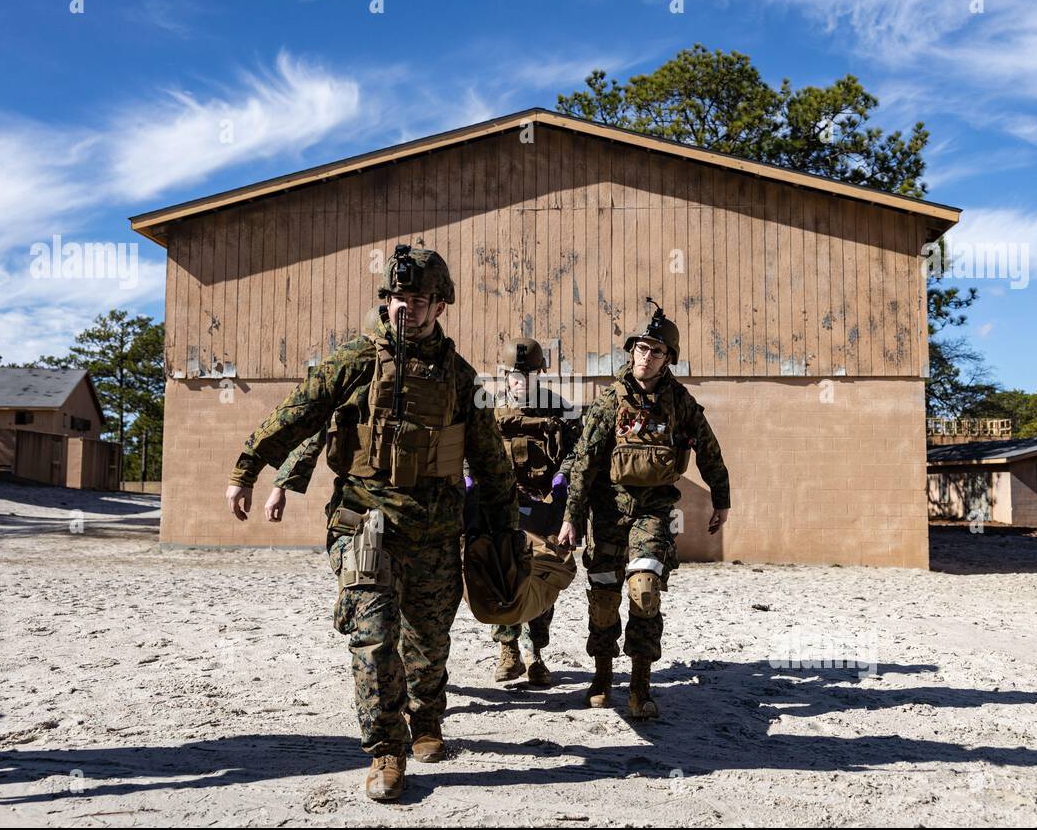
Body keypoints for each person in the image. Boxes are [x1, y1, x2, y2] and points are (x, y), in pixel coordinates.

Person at [224, 242, 517, 801]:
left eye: (419, 299)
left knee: (428, 640)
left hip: (435, 529)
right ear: (386, 300)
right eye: (397, 297)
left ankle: (426, 716)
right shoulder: (355, 361)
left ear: (440, 305)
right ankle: (386, 749)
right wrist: (248, 468)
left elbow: (491, 462)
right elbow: (297, 413)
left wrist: (504, 534)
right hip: (366, 519)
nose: (406, 308)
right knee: (375, 635)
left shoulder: (460, 378)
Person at [558, 302, 731, 719]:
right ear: (630, 351)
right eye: (639, 348)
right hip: (607, 511)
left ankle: (640, 685)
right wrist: (571, 517)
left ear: (668, 357)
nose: (645, 357)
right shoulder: (609, 401)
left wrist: (721, 501)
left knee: (645, 590)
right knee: (602, 596)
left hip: (652, 512)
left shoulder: (680, 403)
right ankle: (602, 677)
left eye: (655, 351)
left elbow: (709, 451)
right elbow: (584, 461)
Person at [481, 337, 581, 687]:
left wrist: (562, 475)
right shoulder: (489, 410)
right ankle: (508, 649)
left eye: (528, 376)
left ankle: (536, 652)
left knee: (541, 579)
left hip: (544, 509)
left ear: (540, 376)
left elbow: (578, 451)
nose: (521, 382)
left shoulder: (559, 410)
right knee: (503, 575)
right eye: (514, 376)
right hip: (503, 509)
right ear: (505, 376)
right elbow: (472, 452)